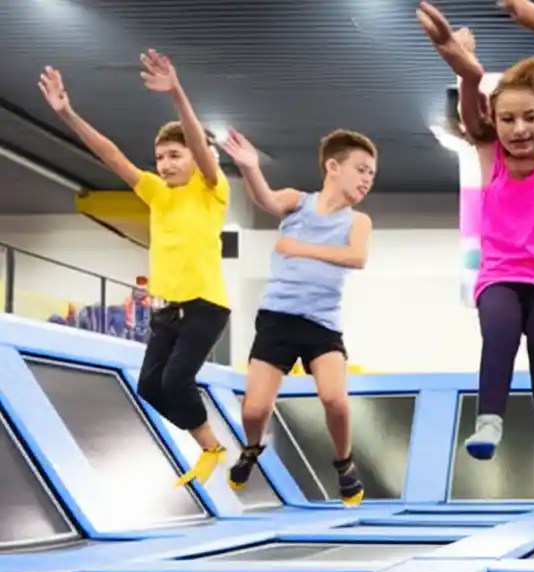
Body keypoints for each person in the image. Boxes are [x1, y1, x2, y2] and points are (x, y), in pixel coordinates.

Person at [417, 0, 534, 482]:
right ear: (494, 123)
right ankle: (490, 419)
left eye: (529, 117)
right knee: (499, 332)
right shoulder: (490, 155)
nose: (518, 129)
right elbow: (470, 100)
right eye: (507, 120)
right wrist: (459, 63)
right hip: (500, 276)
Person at [39, 50, 231, 486]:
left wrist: (177, 93)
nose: (165, 164)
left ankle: (210, 447)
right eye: (160, 156)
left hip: (204, 305)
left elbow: (201, 148)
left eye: (174, 155)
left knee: (178, 379)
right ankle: (211, 448)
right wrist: (67, 113)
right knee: (149, 387)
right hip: (166, 311)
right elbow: (111, 156)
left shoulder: (210, 190)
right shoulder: (156, 192)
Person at [217, 128, 377, 507]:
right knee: (254, 410)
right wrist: (251, 167)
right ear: (333, 167)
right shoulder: (298, 202)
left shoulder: (358, 222)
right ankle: (253, 447)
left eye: (372, 174)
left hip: (322, 324)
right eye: (362, 170)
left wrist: (301, 248)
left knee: (335, 399)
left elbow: (357, 258)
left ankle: (344, 462)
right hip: (277, 318)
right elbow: (266, 200)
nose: (367, 179)